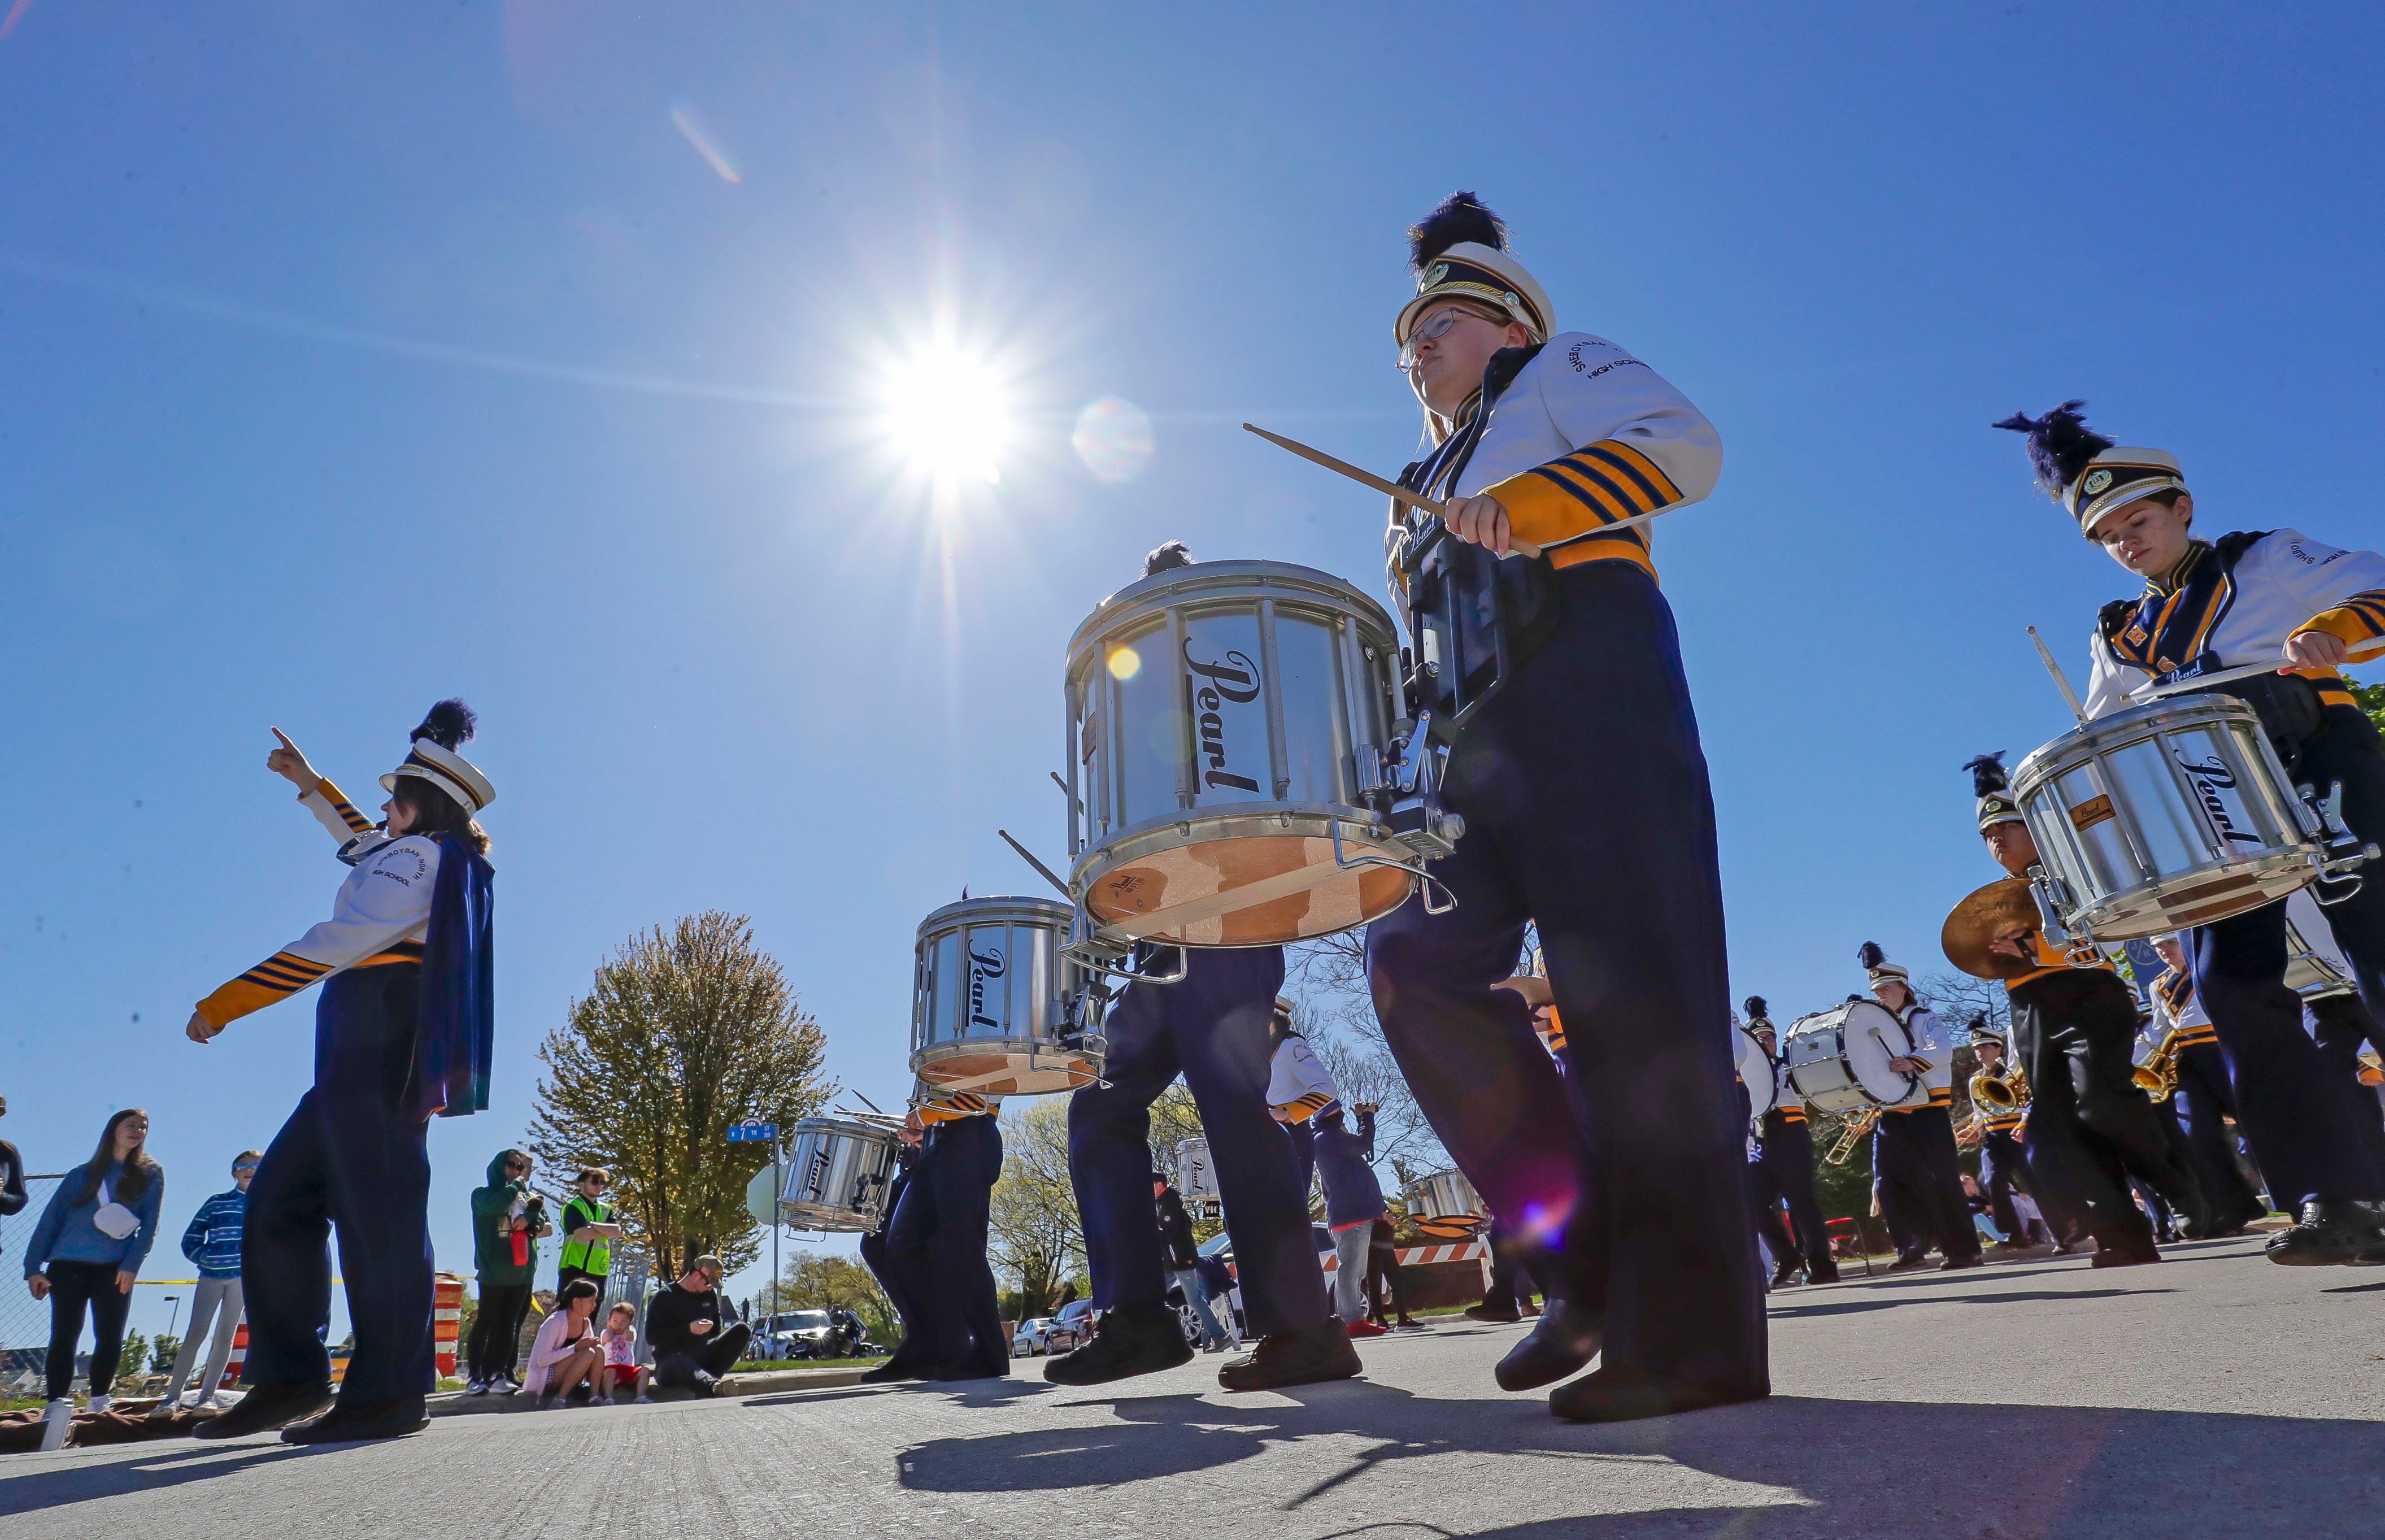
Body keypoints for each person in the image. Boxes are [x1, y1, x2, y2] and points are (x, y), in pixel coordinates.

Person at [1358, 192, 1763, 1423]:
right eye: (1408, 337)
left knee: (1633, 996)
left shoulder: (1560, 369)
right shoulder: (1414, 478)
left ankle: (1689, 1339)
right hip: (1466, 735)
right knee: (1414, 966)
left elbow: (1683, 446)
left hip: (1588, 671)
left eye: (1438, 324)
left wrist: (1527, 508)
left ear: (1509, 323)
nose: (1418, 349)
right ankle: (1581, 1264)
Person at [1999, 402, 2385, 1264]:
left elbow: (2378, 584)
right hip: (2208, 799)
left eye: (2137, 521)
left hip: (2313, 749)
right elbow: (2099, 737)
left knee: (2377, 945)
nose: (2125, 542)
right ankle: (2333, 1196)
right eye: (2107, 536)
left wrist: (2335, 630)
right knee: (2232, 986)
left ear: (2182, 506)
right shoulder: (2117, 633)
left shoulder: (2265, 559)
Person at [1048, 541, 1358, 1394]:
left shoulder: (1234, 674)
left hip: (1233, 907)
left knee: (1233, 1108)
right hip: (1163, 932)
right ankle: (1137, 1317)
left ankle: (1306, 1326)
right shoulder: (1133, 704)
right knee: (1099, 1106)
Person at [189, 703, 497, 1444]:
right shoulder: (422, 853)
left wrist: (224, 1002)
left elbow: (335, 939)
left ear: (420, 806)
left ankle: (388, 1391)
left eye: (396, 798)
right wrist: (310, 783)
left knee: (377, 1215)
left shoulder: (416, 857)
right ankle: (291, 1377)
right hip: (360, 1047)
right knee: (278, 1200)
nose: (384, 809)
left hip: (378, 1042)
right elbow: (366, 842)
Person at [1968, 752, 2203, 1266]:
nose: (1997, 840)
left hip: (2088, 995)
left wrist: (2033, 947)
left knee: (2102, 1103)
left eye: (2007, 827)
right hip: (2030, 1009)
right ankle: (2124, 1235)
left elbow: (2104, 935)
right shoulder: (1993, 904)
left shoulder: (2074, 873)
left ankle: (2181, 1187)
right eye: (1988, 835)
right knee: (2057, 1131)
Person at [24, 1109, 162, 1448]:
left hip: (114, 1267)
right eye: (131, 1125)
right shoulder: (80, 1176)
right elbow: (50, 1221)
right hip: (67, 1266)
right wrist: (33, 1268)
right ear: (114, 1129)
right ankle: (56, 1405)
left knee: (110, 1335)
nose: (137, 1131)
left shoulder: (150, 1173)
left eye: (143, 1127)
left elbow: (150, 1226)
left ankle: (99, 1402)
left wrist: (132, 1266)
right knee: (64, 1335)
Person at [1856, 947, 1986, 1273]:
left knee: (1943, 1179)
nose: (1880, 994)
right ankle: (1911, 1249)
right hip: (1891, 1115)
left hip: (1928, 1110)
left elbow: (1941, 1050)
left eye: (1886, 988)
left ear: (1903, 987)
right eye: (1877, 990)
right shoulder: (1871, 1027)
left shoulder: (1924, 1018)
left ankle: (1964, 1250)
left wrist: (1912, 1061)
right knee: (1888, 1183)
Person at [1265, 1016, 1387, 1337]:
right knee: (1352, 1270)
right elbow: (1363, 1143)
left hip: (1349, 1212)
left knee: (1354, 1269)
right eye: (1338, 1112)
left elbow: (1324, 1095)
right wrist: (1367, 1118)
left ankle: (1348, 1318)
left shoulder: (1287, 1047)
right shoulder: (1329, 1138)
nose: (1340, 1112)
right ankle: (1350, 1319)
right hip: (1351, 1214)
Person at [885, 1087, 1007, 1381]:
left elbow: (988, 1093)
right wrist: (923, 1127)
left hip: (971, 1135)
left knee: (963, 1247)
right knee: (902, 1243)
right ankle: (931, 1344)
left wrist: (926, 1115)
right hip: (936, 1142)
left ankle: (989, 1353)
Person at [1742, 1000, 1839, 1286]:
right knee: (1752, 1200)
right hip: (1761, 1140)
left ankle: (1822, 1265)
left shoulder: (1790, 1066)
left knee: (1801, 1202)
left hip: (1790, 1134)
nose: (1766, 1043)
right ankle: (1786, 1256)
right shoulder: (1745, 1074)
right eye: (1760, 1039)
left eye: (1770, 1038)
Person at [155, 1149, 258, 1413]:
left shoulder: (268, 1203)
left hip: (242, 1279)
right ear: (234, 1172)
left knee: (226, 1335)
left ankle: (207, 1397)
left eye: (257, 1165)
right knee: (197, 1332)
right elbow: (191, 1238)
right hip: (211, 1277)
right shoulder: (217, 1202)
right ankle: (171, 1398)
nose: (249, 1170)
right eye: (243, 1166)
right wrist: (204, 1257)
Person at [466, 1149, 549, 1394]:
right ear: (498, 1167)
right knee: (486, 1323)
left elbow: (541, 1220)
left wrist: (530, 1220)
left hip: (520, 1274)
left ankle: (498, 1375)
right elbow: (496, 1205)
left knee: (509, 1325)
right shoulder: (482, 1195)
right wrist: (515, 1187)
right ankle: (475, 1377)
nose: (516, 1171)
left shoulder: (527, 1198)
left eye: (520, 1167)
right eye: (511, 1165)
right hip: (493, 1273)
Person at [856, 1128, 929, 1384]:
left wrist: (927, 1127)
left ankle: (928, 1338)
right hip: (914, 1165)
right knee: (874, 1244)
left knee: (902, 1244)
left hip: (940, 1162)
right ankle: (918, 1335)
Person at [1961, 1029, 2040, 1255]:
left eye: (1986, 1046)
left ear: (1999, 1049)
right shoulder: (1975, 1080)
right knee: (1993, 1181)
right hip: (1994, 1138)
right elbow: (1979, 1113)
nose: (1980, 1051)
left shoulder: (2012, 1072)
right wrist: (1973, 1131)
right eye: (1977, 1048)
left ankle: (2060, 1230)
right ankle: (2013, 1234)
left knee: (2036, 1181)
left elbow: (2027, 1103)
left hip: (2018, 1134)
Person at [647, 1255, 751, 1395]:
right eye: (709, 1284)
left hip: (700, 1355)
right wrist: (689, 1329)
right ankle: (714, 1387)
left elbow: (716, 1332)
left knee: (742, 1330)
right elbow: (651, 1337)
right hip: (670, 1360)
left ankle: (711, 1379)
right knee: (679, 1362)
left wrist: (709, 1327)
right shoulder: (665, 1297)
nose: (710, 1289)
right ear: (697, 1276)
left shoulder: (709, 1296)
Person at [1156, 1176, 1234, 1352]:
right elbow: (1185, 1225)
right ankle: (1157, 1340)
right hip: (1173, 1262)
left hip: (1180, 1262)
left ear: (1160, 1185)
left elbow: (1170, 1232)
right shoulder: (1167, 1203)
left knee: (1194, 1301)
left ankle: (1221, 1337)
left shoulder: (1168, 1203)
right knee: (1154, 1296)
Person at [524, 1278, 606, 1408]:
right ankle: (560, 1398)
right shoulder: (555, 1321)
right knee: (588, 1353)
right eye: (591, 1300)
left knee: (599, 1350)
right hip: (546, 1379)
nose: (594, 1306)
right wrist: (575, 1348)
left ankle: (593, 1395)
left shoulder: (586, 1323)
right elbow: (542, 1360)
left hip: (573, 1377)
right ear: (576, 1302)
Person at [556, 1167, 624, 1302]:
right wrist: (605, 1231)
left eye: (602, 1182)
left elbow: (617, 1232)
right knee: (568, 1310)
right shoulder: (573, 1207)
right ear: (581, 1184)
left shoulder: (606, 1209)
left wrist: (592, 1225)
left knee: (592, 1312)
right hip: (574, 1268)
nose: (599, 1186)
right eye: (594, 1182)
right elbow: (582, 1234)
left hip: (598, 1270)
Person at [1364, 1211, 1421, 1330]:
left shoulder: (1380, 1203)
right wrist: (1380, 1217)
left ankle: (1403, 1319)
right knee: (1375, 1285)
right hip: (1372, 1248)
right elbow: (1363, 1217)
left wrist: (1392, 1220)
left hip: (1388, 1247)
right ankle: (1381, 1321)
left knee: (1398, 1283)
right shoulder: (1366, 1203)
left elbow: (1388, 1216)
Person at [597, 1302, 651, 1402]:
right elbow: (608, 1338)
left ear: (630, 1322)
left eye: (623, 1321)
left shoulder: (631, 1332)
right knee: (610, 1373)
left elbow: (627, 1337)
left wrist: (629, 1326)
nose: (619, 1324)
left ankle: (641, 1396)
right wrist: (609, 1326)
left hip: (628, 1369)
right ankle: (608, 1397)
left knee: (645, 1371)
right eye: (615, 1321)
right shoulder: (606, 1332)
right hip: (610, 1368)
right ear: (609, 1320)